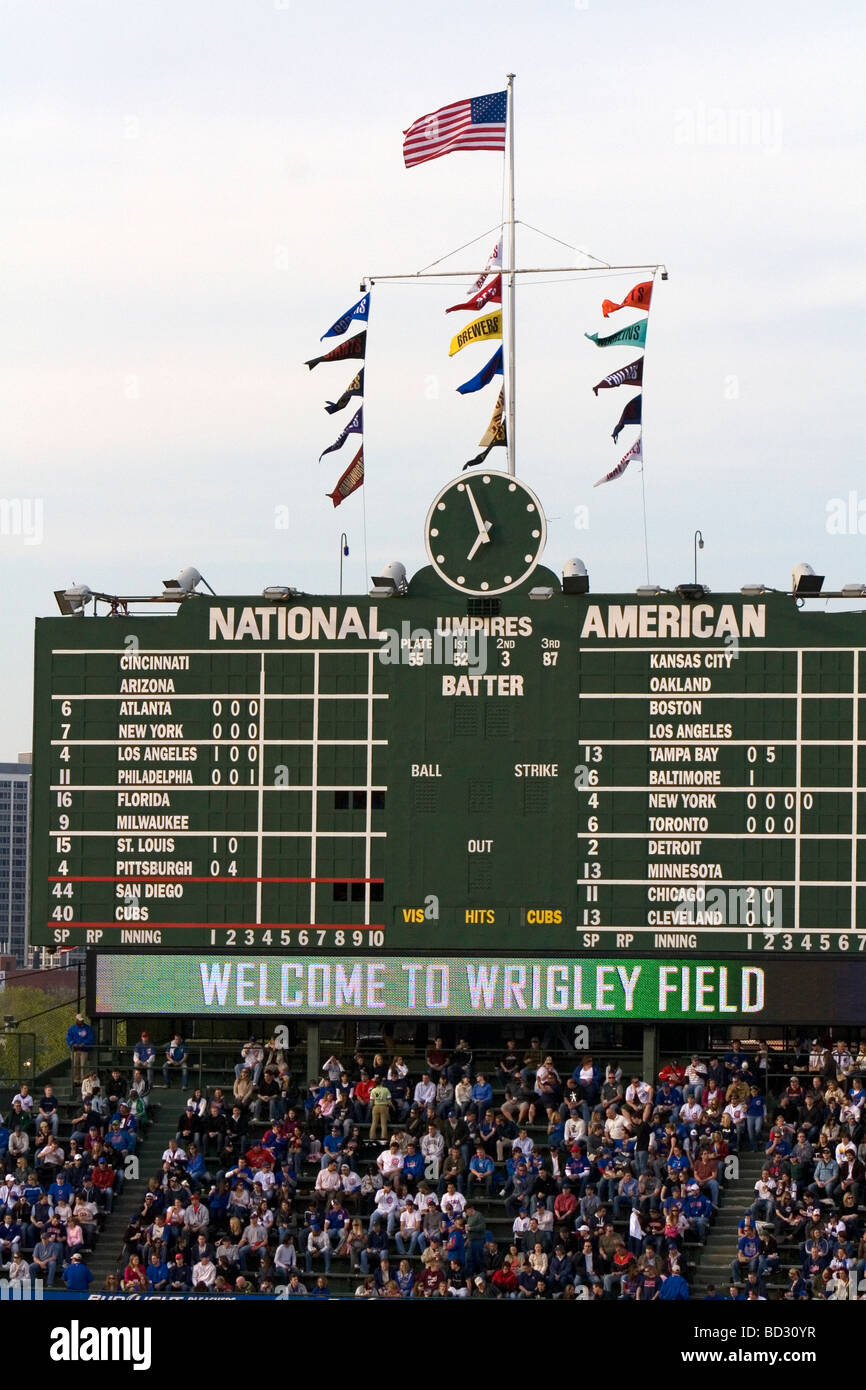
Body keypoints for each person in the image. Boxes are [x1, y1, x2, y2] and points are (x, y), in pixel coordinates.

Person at [66, 1015, 95, 1086]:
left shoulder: (88, 1028)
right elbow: (68, 1038)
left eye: (82, 1020)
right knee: (75, 1065)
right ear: (76, 1020)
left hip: (84, 1050)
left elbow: (91, 1038)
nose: (81, 1021)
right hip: (75, 1050)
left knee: (83, 1065)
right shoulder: (72, 1029)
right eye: (79, 1020)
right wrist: (73, 1044)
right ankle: (76, 1080)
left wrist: (84, 1043)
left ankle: (83, 1081)